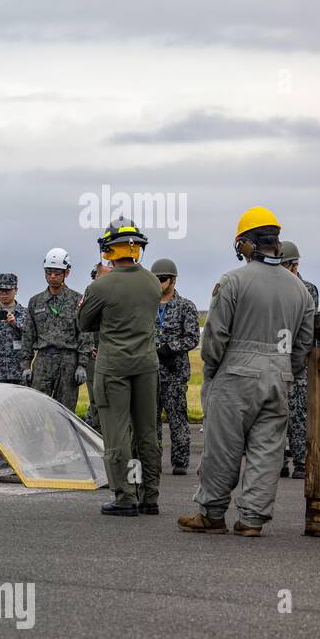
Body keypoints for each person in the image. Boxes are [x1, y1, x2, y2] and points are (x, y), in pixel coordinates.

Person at [178, 208, 315, 536]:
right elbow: (303, 344)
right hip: (279, 377)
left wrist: (214, 370)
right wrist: (285, 370)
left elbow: (215, 337)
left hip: (235, 375)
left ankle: (211, 514)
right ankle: (252, 519)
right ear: (276, 243)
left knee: (222, 447)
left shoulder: (232, 281)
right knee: (267, 451)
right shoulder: (300, 291)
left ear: (246, 245)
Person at [77, 221, 162, 516]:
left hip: (113, 365)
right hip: (147, 364)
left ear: (109, 249)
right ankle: (149, 495)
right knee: (147, 432)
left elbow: (83, 322)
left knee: (117, 434)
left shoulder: (100, 286)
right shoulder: (152, 281)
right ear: (137, 247)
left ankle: (125, 496)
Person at [21, 247, 89, 414]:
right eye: (49, 272)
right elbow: (28, 335)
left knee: (65, 412)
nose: (52, 276)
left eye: (57, 273)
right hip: (43, 361)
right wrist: (26, 365)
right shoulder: (35, 302)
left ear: (67, 273)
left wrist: (82, 365)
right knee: (38, 409)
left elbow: (85, 333)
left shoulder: (77, 300)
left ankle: (64, 441)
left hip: (68, 362)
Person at [149, 258, 200, 476]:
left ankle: (180, 462)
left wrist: (170, 348)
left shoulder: (185, 307)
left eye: (163, 279)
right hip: (150, 372)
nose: (159, 283)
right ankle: (152, 461)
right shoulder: (146, 305)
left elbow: (192, 337)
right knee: (150, 421)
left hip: (174, 372)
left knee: (177, 418)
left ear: (173, 280)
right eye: (156, 279)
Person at [280, 240, 320, 480]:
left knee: (299, 416)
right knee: (276, 414)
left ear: (294, 266)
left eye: (285, 266)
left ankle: (301, 462)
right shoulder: (274, 290)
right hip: (277, 359)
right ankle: (280, 462)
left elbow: (306, 326)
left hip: (299, 361)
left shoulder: (307, 290)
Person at [82, 262, 112, 429]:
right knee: (97, 401)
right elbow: (80, 324)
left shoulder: (120, 296)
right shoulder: (89, 297)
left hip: (116, 355)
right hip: (95, 356)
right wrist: (88, 347)